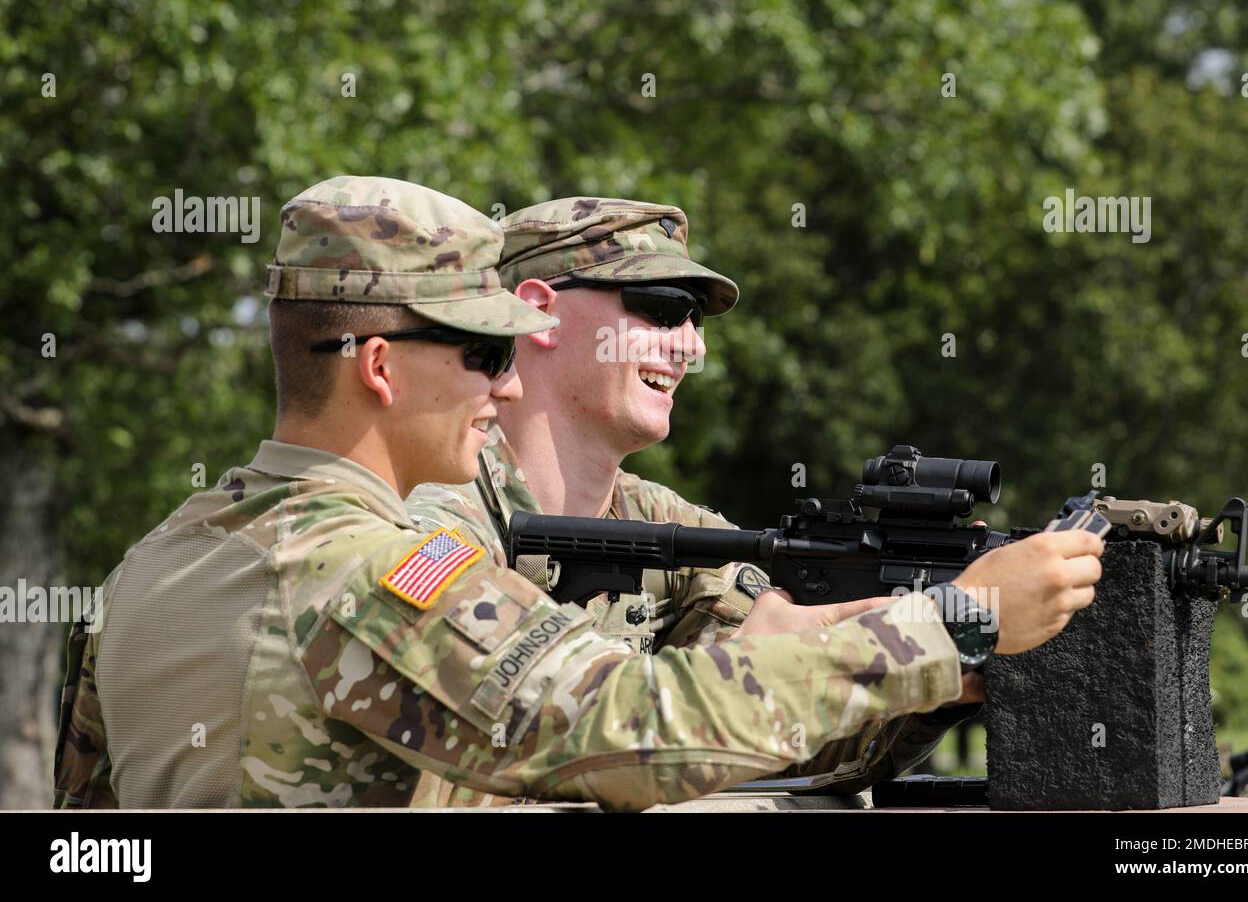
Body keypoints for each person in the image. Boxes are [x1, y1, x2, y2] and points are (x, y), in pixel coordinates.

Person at [53, 176, 1102, 812]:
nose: (506, 383)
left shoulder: (157, 559)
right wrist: (955, 623)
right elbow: (628, 729)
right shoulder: (372, 569)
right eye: (481, 353)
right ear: (377, 366)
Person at [402, 197, 1091, 805]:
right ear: (540, 312)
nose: (690, 346)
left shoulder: (669, 526)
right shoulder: (433, 528)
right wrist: (939, 629)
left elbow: (781, 750)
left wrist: (939, 680)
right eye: (663, 308)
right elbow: (545, 746)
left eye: (696, 320)